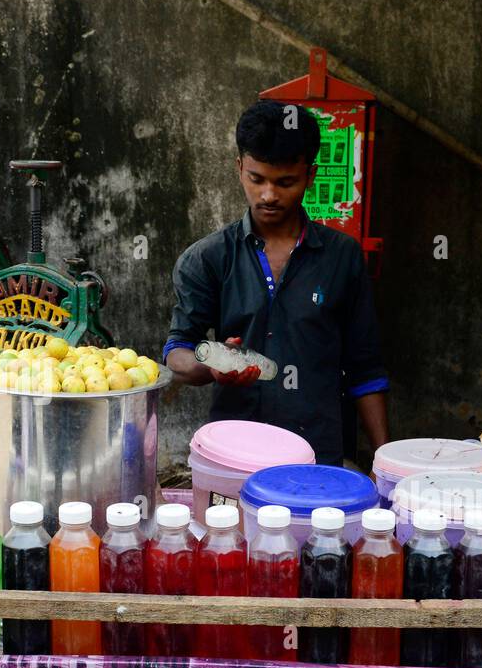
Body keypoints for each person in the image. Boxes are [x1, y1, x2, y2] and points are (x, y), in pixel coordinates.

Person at [163, 99, 389, 465]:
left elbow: (366, 371)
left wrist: (383, 464)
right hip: (234, 456)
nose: (268, 195)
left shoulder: (342, 256)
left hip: (319, 454)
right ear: (239, 169)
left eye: (285, 182)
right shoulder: (207, 258)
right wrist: (211, 366)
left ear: (310, 176)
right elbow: (177, 351)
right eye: (257, 179)